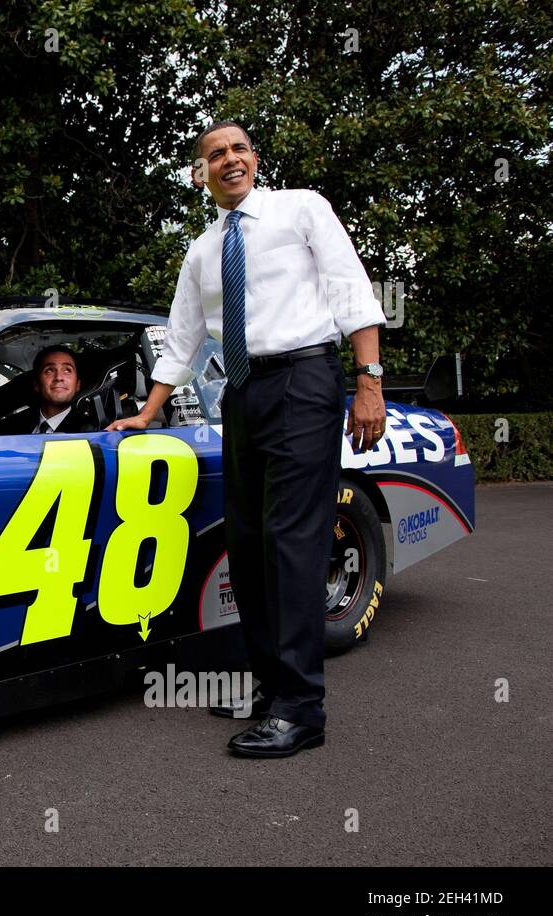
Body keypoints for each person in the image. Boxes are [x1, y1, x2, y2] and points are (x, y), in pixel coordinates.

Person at [106, 120, 387, 758]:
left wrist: (368, 381)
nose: (229, 160)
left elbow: (351, 292)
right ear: (201, 173)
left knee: (292, 540)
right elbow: (180, 339)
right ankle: (268, 686)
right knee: (250, 540)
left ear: (254, 159)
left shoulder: (301, 209)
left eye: (238, 149)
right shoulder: (203, 249)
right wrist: (148, 414)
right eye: (214, 155)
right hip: (244, 393)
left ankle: (301, 708)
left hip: (304, 379)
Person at [2, 346, 90, 434]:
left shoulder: (92, 430)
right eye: (49, 370)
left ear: (78, 384)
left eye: (67, 370)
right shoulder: (10, 427)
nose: (59, 377)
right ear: (36, 384)